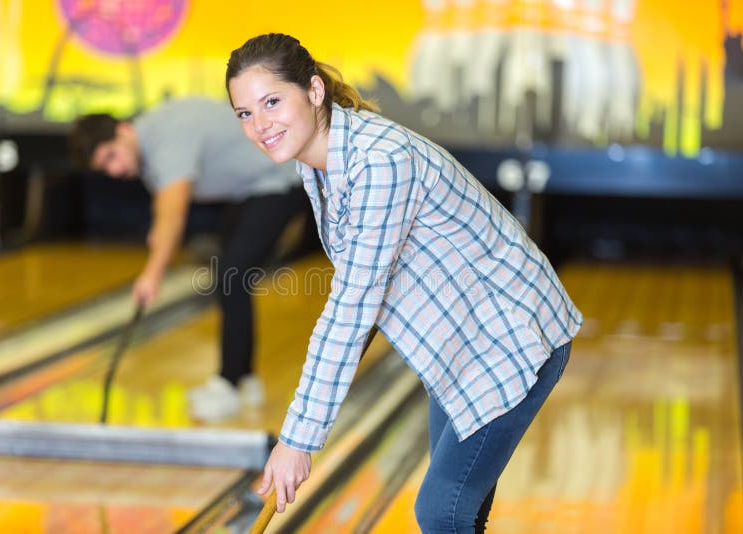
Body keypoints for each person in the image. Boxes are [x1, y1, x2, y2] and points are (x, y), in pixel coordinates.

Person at [225, 33, 583, 532]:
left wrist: (298, 439)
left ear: (312, 90)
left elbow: (352, 303)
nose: (260, 124)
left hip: (511, 338)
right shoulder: (323, 167)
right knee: (460, 513)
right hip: (459, 344)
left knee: (442, 511)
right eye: (244, 113)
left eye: (271, 102)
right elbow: (363, 295)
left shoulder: (379, 160)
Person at [68, 96, 318, 421]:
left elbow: (174, 215)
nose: (115, 171)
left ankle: (229, 383)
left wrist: (152, 274)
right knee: (229, 279)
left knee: (231, 276)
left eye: (112, 157)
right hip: (249, 191)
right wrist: (158, 235)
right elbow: (164, 209)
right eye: (105, 168)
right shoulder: (147, 145)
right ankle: (242, 379)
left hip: (281, 179)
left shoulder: (166, 137)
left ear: (123, 130)